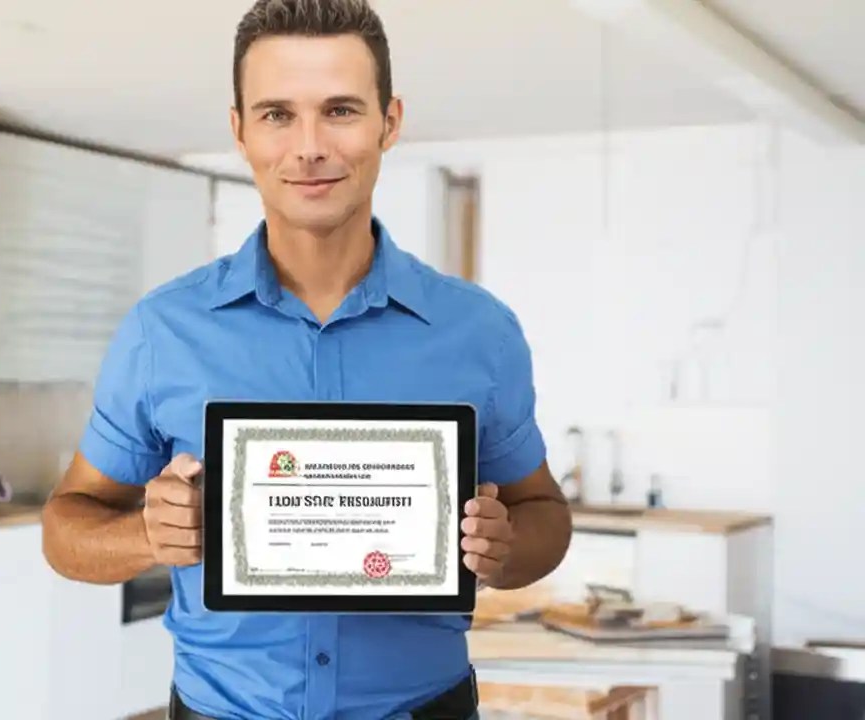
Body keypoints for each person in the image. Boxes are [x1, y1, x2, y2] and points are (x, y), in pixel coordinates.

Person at [40, 1, 573, 718]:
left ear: (389, 122)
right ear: (240, 130)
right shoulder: (161, 331)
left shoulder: (481, 331)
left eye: (341, 111)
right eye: (277, 114)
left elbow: (545, 514)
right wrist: (145, 535)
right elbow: (65, 528)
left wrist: (505, 551)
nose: (310, 146)